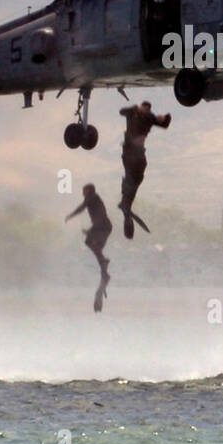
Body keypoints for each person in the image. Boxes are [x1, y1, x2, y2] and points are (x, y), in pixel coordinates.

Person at [119, 100, 170, 238]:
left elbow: (164, 125)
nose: (145, 112)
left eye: (147, 110)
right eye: (144, 109)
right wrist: (134, 108)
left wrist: (166, 117)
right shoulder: (132, 113)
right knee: (132, 176)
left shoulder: (149, 117)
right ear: (140, 107)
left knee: (137, 176)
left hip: (138, 151)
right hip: (129, 150)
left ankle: (125, 204)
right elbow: (121, 112)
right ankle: (125, 203)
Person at [65, 183, 112, 312]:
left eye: (84, 191)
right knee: (93, 245)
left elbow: (83, 209)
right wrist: (91, 230)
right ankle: (103, 264)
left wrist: (71, 215)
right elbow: (98, 216)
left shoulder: (93, 198)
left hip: (103, 227)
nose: (82, 194)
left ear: (89, 191)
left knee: (91, 243)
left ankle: (103, 262)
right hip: (103, 227)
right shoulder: (93, 199)